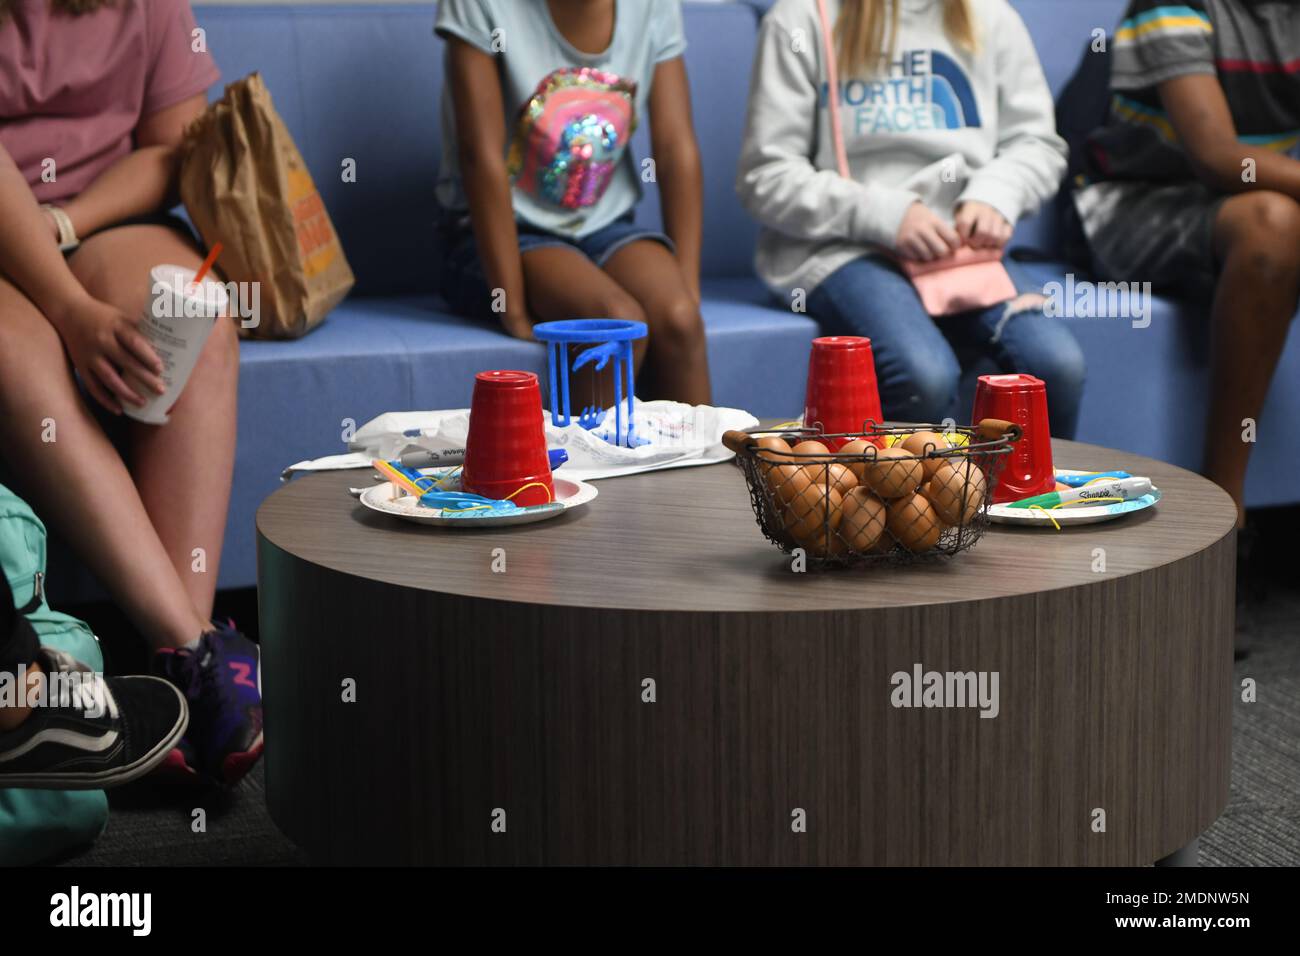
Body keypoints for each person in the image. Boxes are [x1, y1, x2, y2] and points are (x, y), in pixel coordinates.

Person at [0, 0, 261, 785]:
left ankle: (174, 678)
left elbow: (170, 148)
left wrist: (67, 225)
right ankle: (198, 646)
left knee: (198, 317)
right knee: (20, 356)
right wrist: (72, 309)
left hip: (86, 221)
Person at [737, 0, 1085, 437]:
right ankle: (916, 504)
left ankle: (1024, 503)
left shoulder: (992, 16)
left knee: (1057, 364)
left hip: (958, 253)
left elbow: (1037, 145)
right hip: (845, 249)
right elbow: (765, 177)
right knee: (924, 374)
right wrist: (887, 215)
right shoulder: (800, 18)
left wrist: (994, 197)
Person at [1073, 0, 1300, 527]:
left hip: (1258, 201)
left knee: (1278, 220)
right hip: (1135, 203)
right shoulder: (1176, 5)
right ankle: (1225, 511)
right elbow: (1219, 157)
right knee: (1274, 227)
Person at [435, 0, 712, 405]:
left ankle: (700, 467)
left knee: (680, 321)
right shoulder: (481, 6)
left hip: (605, 224)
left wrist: (688, 287)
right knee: (617, 324)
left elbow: (675, 149)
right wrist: (510, 305)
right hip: (503, 231)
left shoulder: (653, 7)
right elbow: (481, 156)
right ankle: (582, 467)